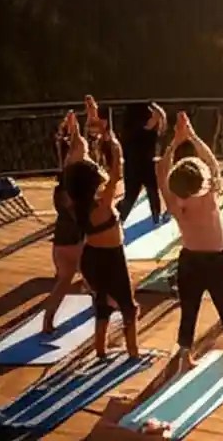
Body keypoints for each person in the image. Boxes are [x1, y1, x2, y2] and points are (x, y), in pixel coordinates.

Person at [157, 112, 223, 370]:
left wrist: (174, 142)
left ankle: (185, 357)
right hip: (215, 261)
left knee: (189, 310)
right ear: (201, 181)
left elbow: (162, 170)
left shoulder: (175, 202)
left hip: (189, 261)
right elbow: (213, 163)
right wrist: (191, 136)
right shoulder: (207, 199)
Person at [61, 120, 139, 359]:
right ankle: (133, 351)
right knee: (128, 307)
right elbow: (116, 174)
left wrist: (75, 133)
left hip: (92, 258)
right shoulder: (102, 204)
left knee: (103, 306)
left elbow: (69, 169)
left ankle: (101, 349)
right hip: (112, 257)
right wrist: (114, 146)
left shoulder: (74, 203)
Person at [42, 112, 87, 334]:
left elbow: (74, 152)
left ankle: (47, 320)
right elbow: (77, 152)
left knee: (65, 282)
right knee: (90, 276)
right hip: (73, 243)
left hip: (62, 242)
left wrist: (74, 129)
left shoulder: (62, 185)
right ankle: (109, 308)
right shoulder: (73, 188)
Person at [117, 101, 167, 223]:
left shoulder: (138, 120)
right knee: (132, 194)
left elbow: (160, 122)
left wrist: (157, 116)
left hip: (142, 162)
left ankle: (156, 217)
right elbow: (156, 122)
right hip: (135, 163)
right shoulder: (136, 122)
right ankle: (119, 217)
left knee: (151, 191)